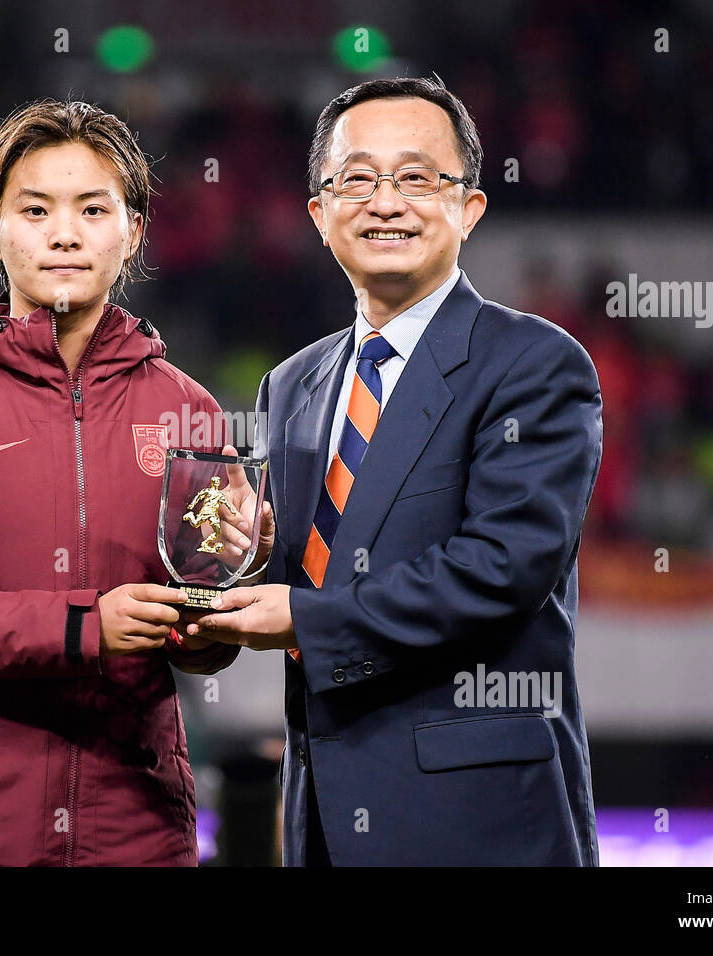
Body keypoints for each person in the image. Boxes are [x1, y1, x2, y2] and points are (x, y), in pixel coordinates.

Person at [184, 77, 603, 866]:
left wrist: (302, 620)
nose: (386, 202)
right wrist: (241, 553)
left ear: (470, 208)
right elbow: (314, 569)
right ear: (318, 214)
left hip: (479, 822)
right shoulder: (292, 384)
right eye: (357, 179)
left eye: (416, 177)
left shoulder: (536, 365)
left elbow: (501, 569)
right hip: (324, 819)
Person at [0, 99, 247, 865]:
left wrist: (217, 601)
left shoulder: (187, 409)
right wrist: (84, 626)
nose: (65, 232)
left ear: (132, 231)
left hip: (138, 837)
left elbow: (203, 641)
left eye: (93, 208)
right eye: (35, 209)